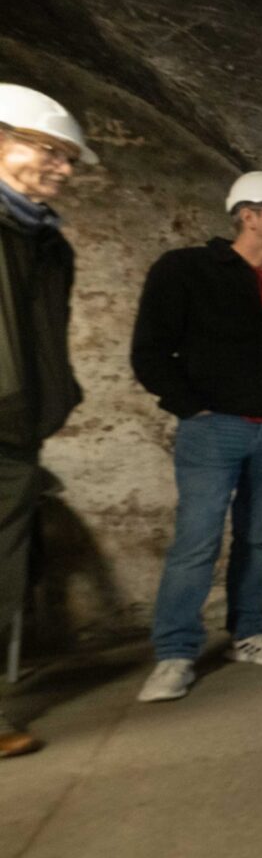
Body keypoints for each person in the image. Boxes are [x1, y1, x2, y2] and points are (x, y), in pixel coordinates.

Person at [131, 171, 262, 703]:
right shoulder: (186, 270)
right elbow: (151, 349)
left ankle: (247, 634)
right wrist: (192, 408)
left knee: (258, 538)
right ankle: (176, 653)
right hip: (213, 427)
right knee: (196, 540)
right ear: (248, 215)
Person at [0, 85, 97, 758]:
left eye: (69, 159)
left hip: (14, 429)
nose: (63, 168)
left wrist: (54, 399)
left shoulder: (48, 244)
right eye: (50, 151)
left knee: (3, 573)